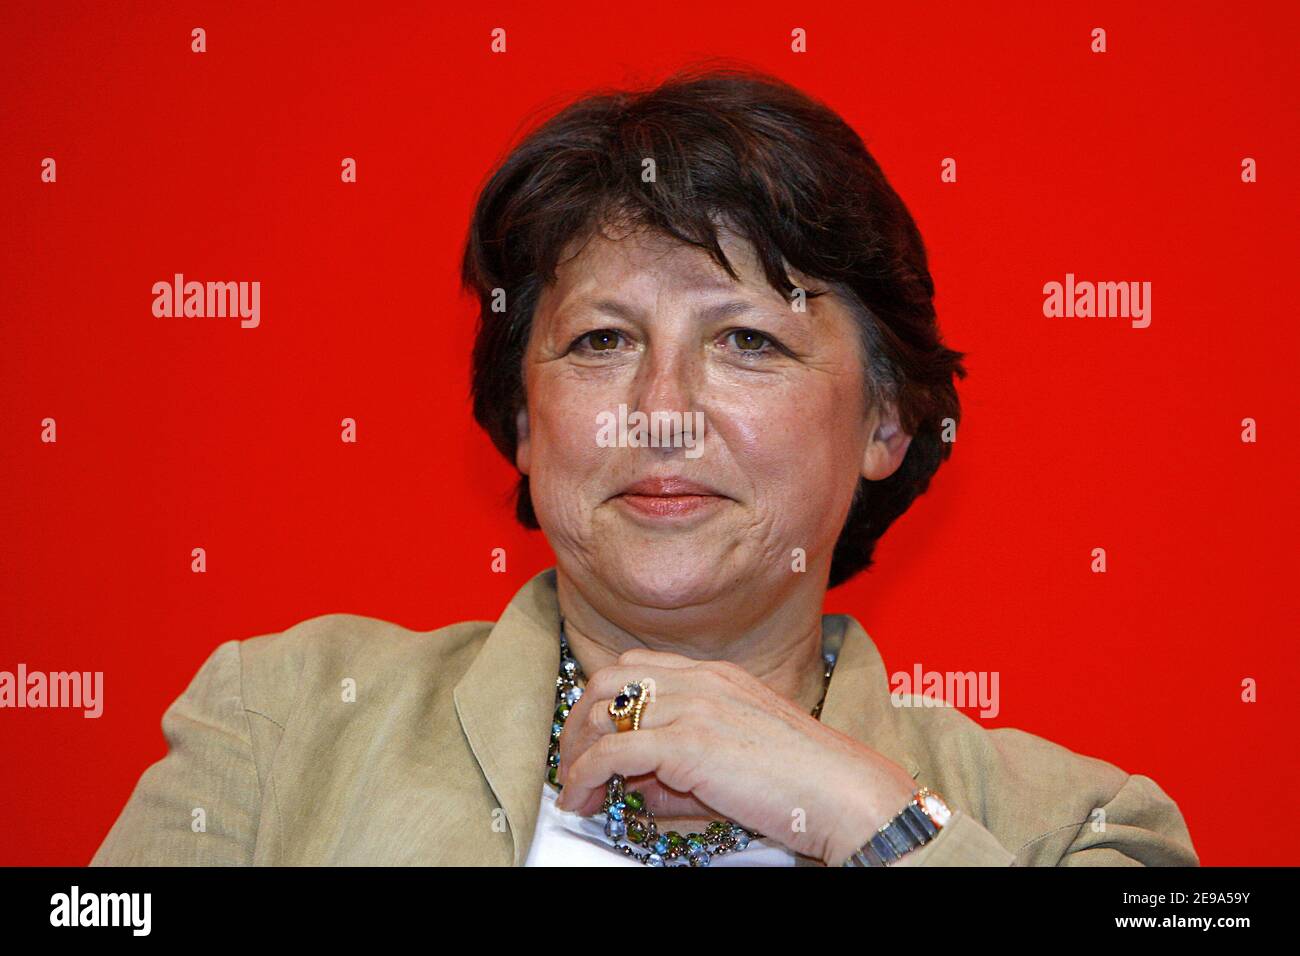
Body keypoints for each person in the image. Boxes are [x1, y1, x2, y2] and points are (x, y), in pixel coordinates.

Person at [90, 66, 1198, 867]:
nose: (661, 414)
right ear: (524, 421)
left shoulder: (1077, 824)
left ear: (885, 425)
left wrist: (871, 818)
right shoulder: (284, 724)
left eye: (749, 341)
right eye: (600, 341)